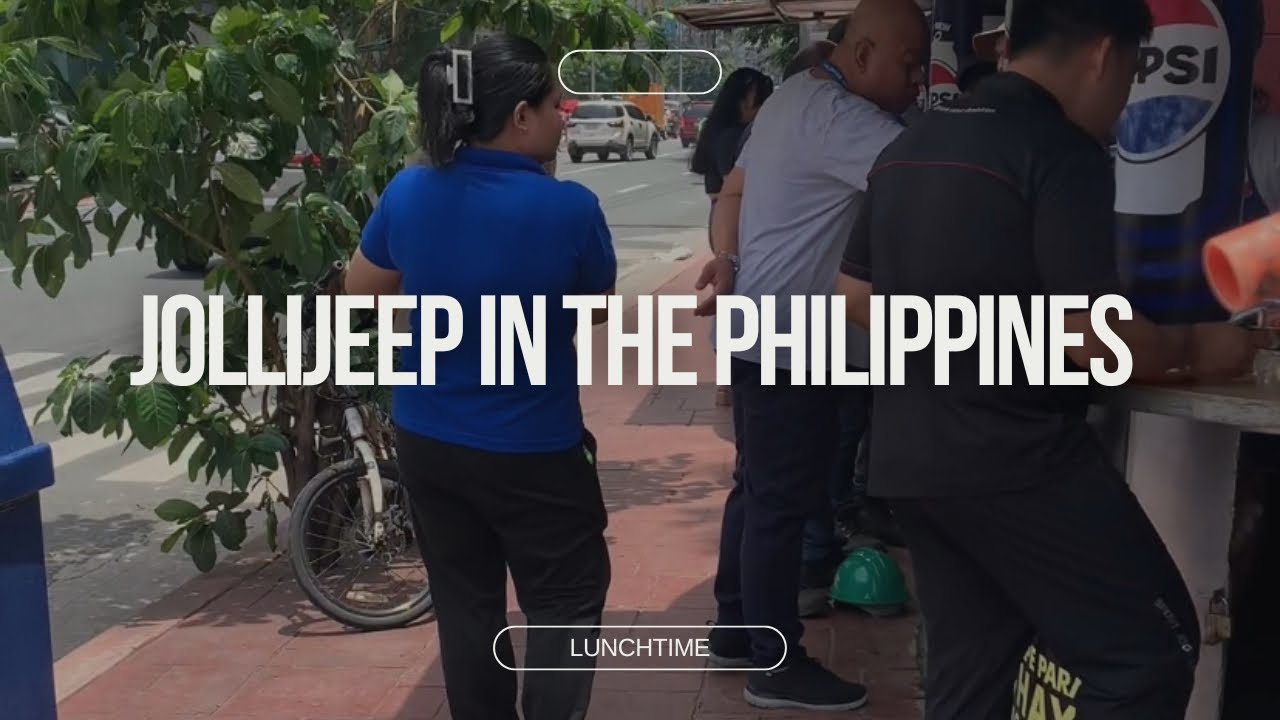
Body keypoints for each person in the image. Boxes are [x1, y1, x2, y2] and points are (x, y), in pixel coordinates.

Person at [835, 0, 1267, 716]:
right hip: (1015, 458)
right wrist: (1202, 345)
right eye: (1131, 73)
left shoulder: (910, 144)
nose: (1125, 102)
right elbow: (1094, 338)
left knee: (970, 681)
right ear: (1104, 55)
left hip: (912, 459)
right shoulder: (1060, 151)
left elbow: (853, 296)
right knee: (1149, 657)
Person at [343, 34, 616, 720]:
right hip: (534, 452)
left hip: (430, 439)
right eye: (558, 103)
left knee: (468, 606)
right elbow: (588, 310)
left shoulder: (408, 190)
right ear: (521, 118)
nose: (568, 113)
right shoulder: (571, 210)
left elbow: (360, 293)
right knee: (564, 602)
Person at [698, 0, 927, 711]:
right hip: (789, 341)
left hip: (760, 327)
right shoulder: (847, 120)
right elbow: (935, 182)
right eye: (909, 63)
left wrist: (727, 257)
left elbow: (734, 189)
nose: (918, 80)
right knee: (780, 502)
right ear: (861, 57)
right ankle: (774, 662)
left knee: (757, 486)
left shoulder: (794, 94)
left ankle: (737, 624)